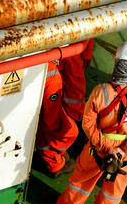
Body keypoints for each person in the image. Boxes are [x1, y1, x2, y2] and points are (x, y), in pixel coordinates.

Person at [55, 41, 127, 204]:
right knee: (112, 194)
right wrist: (122, 150)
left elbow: (88, 123)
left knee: (80, 183)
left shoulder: (101, 92)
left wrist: (105, 146)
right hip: (124, 157)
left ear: (116, 62)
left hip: (97, 150)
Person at [34, 39, 95, 175]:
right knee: (67, 129)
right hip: (57, 60)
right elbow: (51, 122)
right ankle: (52, 162)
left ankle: (52, 153)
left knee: (62, 120)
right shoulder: (53, 75)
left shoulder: (70, 55)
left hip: (61, 54)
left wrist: (87, 50)